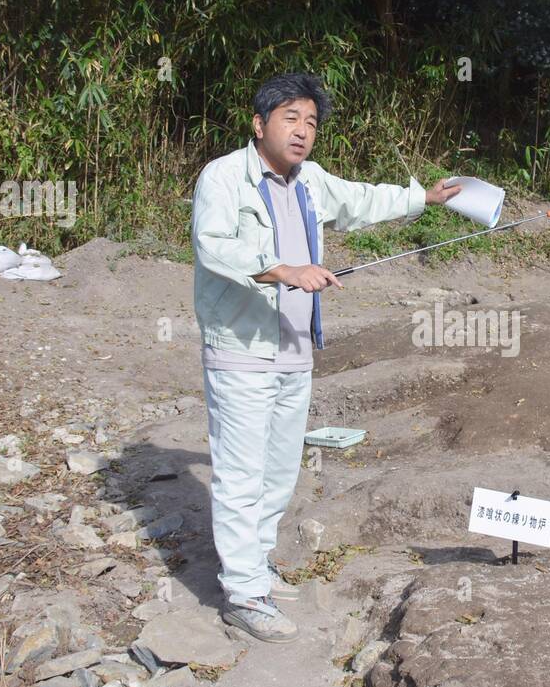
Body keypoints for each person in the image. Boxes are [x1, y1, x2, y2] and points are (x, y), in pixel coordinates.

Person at [190, 72, 460, 643]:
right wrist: (283, 267)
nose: (303, 131)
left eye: (311, 122)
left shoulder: (309, 181)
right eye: (291, 118)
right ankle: (242, 594)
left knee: (280, 466)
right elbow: (214, 245)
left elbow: (360, 199)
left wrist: (424, 197)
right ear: (259, 124)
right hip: (240, 349)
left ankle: (257, 566)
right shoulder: (223, 176)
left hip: (292, 346)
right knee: (240, 473)